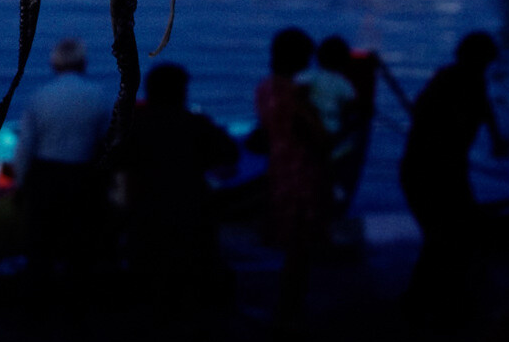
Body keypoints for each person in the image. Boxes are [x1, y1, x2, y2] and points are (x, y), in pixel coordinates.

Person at [399, 31, 509, 315]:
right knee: (447, 236)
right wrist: (495, 139)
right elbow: (463, 119)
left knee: (447, 236)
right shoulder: (459, 82)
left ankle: (434, 298)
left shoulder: (460, 80)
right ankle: (434, 302)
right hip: (434, 171)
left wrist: (496, 137)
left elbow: (482, 109)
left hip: (437, 169)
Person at [122, 62, 239, 307]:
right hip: (190, 211)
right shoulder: (196, 124)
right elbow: (229, 154)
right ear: (181, 91)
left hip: (144, 212)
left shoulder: (133, 125)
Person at [12, 36, 114, 280]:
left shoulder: (40, 97)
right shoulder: (100, 97)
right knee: (81, 251)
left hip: (45, 177)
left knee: (41, 250)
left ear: (54, 64)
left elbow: (26, 148)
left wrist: (21, 184)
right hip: (84, 178)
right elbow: (109, 145)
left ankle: (40, 305)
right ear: (84, 63)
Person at [254, 27, 331, 322]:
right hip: (303, 175)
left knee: (293, 247)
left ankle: (287, 309)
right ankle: (290, 312)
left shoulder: (265, 88)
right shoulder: (297, 96)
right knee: (301, 250)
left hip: (279, 172)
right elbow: (320, 139)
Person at [300, 33, 362, 216]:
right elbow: (351, 107)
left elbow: (298, 92)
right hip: (333, 129)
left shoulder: (308, 76)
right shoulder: (344, 84)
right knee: (329, 165)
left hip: (309, 129)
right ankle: (332, 192)